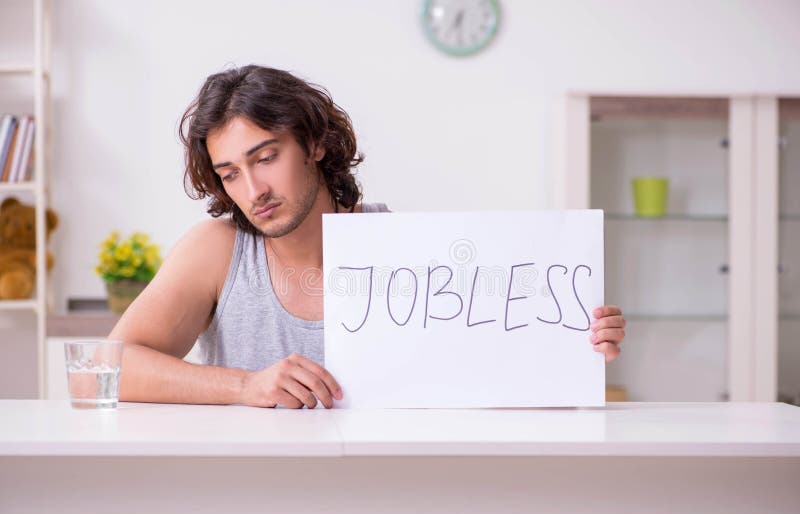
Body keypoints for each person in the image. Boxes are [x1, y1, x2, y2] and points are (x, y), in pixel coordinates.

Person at [111, 65, 626, 409]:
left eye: (266, 157)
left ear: (314, 143)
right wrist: (246, 386)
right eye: (230, 174)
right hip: (250, 496)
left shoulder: (396, 243)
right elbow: (108, 367)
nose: (253, 190)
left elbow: (477, 381)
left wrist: (570, 345)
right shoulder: (218, 251)